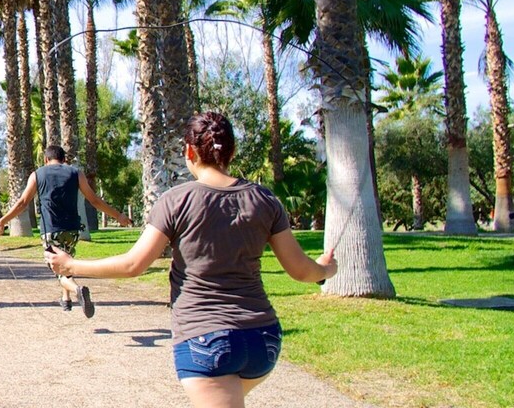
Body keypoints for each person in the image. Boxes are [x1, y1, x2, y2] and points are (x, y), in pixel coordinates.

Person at [45, 112, 336, 407]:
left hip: (206, 341)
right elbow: (301, 270)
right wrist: (326, 269)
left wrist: (71, 266)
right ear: (232, 151)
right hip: (264, 341)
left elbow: (134, 264)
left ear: (189, 151)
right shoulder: (264, 199)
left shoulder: (175, 201)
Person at [0, 145, 133, 318]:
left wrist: (2, 221)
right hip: (73, 229)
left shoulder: (37, 175)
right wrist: (119, 217)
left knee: (57, 267)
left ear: (45, 159)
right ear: (65, 159)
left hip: (51, 229)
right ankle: (66, 299)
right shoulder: (76, 173)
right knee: (66, 262)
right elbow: (94, 200)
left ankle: (76, 289)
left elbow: (22, 203)